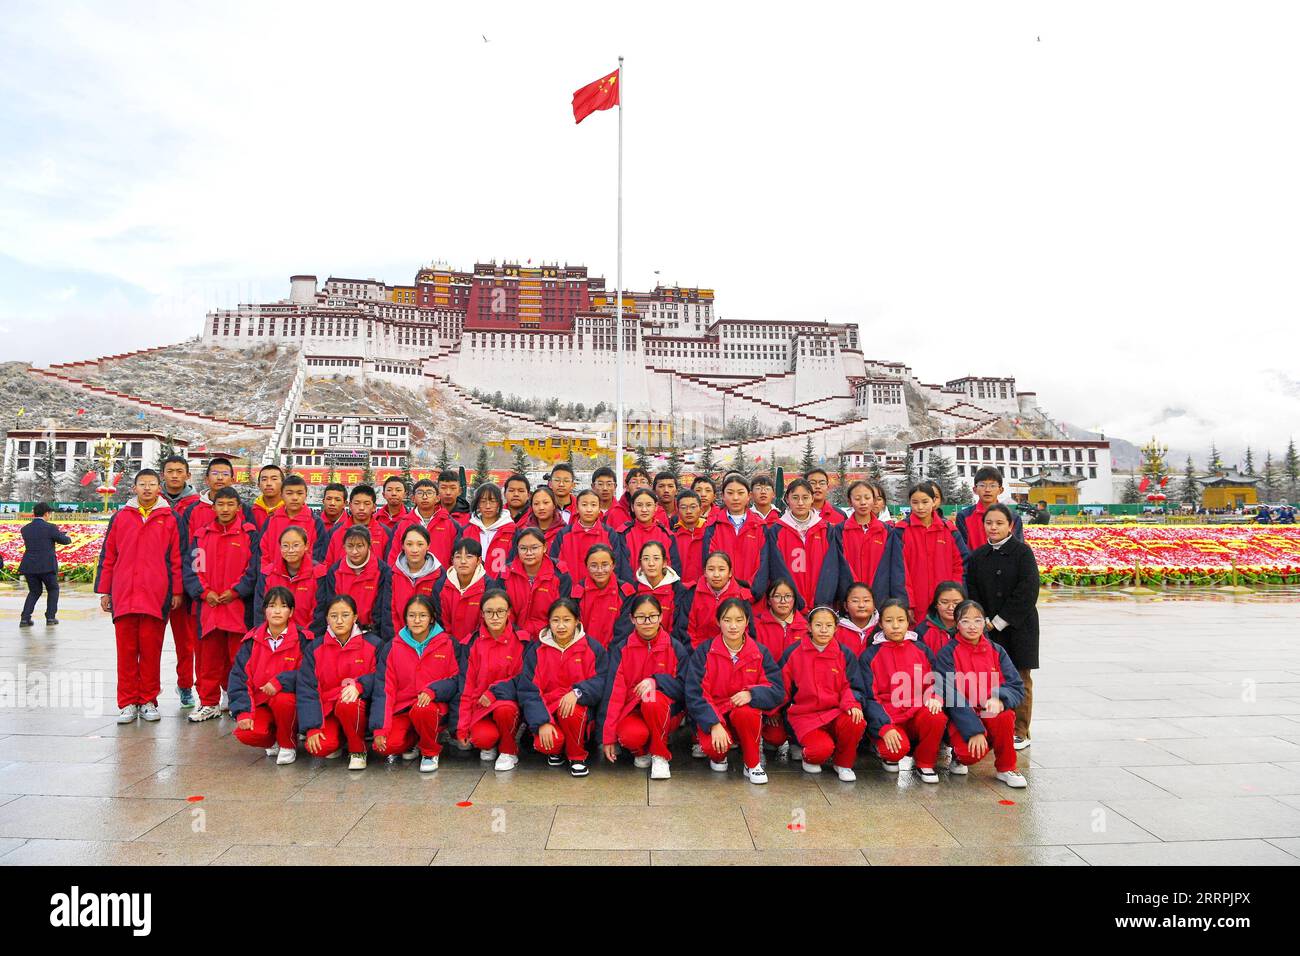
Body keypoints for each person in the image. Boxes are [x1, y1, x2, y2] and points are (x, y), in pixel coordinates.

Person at [94, 470, 183, 724]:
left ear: (159, 488)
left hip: (156, 595)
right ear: (134, 488)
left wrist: (176, 591)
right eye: (142, 484)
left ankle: (148, 700)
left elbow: (176, 558)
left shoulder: (169, 518)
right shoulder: (121, 517)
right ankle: (127, 702)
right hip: (124, 594)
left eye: (152, 484)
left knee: (151, 651)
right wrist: (106, 590)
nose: (147, 488)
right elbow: (108, 555)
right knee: (126, 651)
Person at [965, 503, 1040, 750]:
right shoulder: (978, 556)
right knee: (989, 677)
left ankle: (1020, 730)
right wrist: (981, 619)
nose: (993, 527)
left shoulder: (1023, 552)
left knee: (1019, 676)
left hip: (1019, 627)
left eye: (999, 523)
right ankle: (992, 725)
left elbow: (1027, 591)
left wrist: (998, 621)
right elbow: (973, 592)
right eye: (989, 523)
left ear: (1010, 525)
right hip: (987, 628)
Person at [685, 597, 784, 784]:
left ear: (747, 622)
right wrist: (714, 723)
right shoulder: (705, 652)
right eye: (727, 620)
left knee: (746, 712)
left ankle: (752, 763)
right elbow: (694, 693)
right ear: (718, 622)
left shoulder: (759, 652)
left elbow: (777, 690)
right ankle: (721, 750)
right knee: (715, 750)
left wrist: (752, 694)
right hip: (716, 713)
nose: (733, 626)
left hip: (743, 715)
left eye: (739, 620)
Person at [182, 486, 259, 722]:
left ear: (238, 507)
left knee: (240, 659)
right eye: (220, 504)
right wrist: (204, 592)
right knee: (208, 660)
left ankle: (241, 704)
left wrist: (236, 591)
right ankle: (209, 702)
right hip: (210, 608)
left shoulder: (249, 534)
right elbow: (194, 569)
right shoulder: (201, 535)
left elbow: (253, 569)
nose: (225, 509)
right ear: (213, 507)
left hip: (237, 607)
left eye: (230, 504)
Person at [936, 599, 1027, 788]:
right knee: (970, 755)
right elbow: (950, 695)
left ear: (985, 622)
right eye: (965, 621)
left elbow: (1016, 686)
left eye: (977, 620)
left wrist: (1000, 697)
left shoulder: (996, 650)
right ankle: (959, 756)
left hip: (988, 710)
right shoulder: (948, 653)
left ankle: (1006, 768)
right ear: (956, 624)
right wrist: (974, 730)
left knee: (1004, 715)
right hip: (961, 715)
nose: (972, 626)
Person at [598, 594, 689, 780]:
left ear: (661, 616)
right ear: (632, 619)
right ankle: (642, 751)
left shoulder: (674, 647)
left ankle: (660, 755)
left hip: (667, 711)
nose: (647, 622)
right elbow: (613, 694)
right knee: (631, 736)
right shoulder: (623, 649)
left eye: (653, 616)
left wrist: (656, 681)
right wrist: (607, 737)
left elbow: (684, 688)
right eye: (641, 617)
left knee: (651, 697)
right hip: (633, 712)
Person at [516, 597, 609, 777]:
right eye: (555, 620)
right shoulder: (537, 650)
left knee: (571, 709)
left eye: (566, 620)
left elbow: (602, 679)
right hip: (547, 710)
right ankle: (556, 751)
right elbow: (528, 690)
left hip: (578, 713)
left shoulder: (591, 647)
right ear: (549, 622)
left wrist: (578, 692)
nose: (561, 626)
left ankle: (577, 757)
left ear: (577, 622)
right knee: (548, 743)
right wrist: (542, 721)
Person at [773, 605, 867, 781]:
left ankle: (843, 763)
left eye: (829, 626)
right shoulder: (794, 653)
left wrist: (852, 704)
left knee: (856, 720)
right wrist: (773, 712)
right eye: (818, 625)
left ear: (836, 628)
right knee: (820, 752)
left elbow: (853, 686)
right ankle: (808, 751)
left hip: (835, 711)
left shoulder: (844, 653)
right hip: (805, 716)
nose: (824, 630)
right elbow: (781, 688)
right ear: (809, 627)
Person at [859, 598, 947, 782]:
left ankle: (925, 763)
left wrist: (934, 696)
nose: (896, 626)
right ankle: (880, 746)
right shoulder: (870, 655)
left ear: (908, 622)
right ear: (880, 623)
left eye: (901, 620)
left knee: (936, 715)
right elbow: (869, 697)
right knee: (894, 751)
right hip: (889, 716)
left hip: (917, 712)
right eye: (889, 621)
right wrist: (884, 726)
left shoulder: (921, 649)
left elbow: (935, 680)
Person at [370, 595, 460, 772]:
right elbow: (384, 689)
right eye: (412, 615)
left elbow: (456, 680)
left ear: (432, 618)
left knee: (423, 709)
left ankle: (429, 751)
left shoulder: (448, 643)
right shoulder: (392, 647)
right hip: (403, 709)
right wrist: (381, 728)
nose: (417, 620)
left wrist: (433, 691)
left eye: (423, 615)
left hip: (433, 708)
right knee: (385, 746)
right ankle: (413, 740)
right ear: (405, 618)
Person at [297, 595, 383, 770]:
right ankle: (339, 740)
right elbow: (307, 688)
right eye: (333, 616)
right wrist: (312, 727)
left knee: (347, 703)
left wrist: (360, 686)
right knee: (319, 747)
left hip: (360, 711)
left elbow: (382, 677)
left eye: (345, 615)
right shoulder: (315, 647)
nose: (339, 621)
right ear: (327, 618)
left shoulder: (374, 644)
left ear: (355, 617)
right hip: (328, 711)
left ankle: (358, 749)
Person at [227, 586, 304, 764]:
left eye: (283, 606)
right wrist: (243, 711)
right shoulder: (251, 641)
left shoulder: (303, 639)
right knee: (246, 733)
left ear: (291, 611)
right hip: (260, 703)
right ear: (264, 610)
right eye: (272, 605)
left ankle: (288, 744)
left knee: (283, 700)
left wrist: (280, 682)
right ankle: (274, 739)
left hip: (292, 705)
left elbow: (308, 674)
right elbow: (238, 678)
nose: (277, 611)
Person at [456, 589, 528, 770]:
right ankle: (492, 743)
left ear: (509, 612)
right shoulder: (473, 643)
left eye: (500, 611)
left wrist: (494, 692)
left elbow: (523, 681)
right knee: (482, 739)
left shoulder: (521, 642)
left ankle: (508, 750)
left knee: (504, 710)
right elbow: (467, 688)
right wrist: (462, 727)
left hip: (509, 707)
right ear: (482, 614)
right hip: (481, 708)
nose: (495, 617)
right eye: (489, 612)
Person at [756, 478, 837, 608]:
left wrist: (822, 600)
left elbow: (831, 569)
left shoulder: (826, 530)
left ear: (812, 499)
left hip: (820, 604)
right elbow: (777, 569)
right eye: (795, 497)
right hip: (788, 605)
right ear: (787, 499)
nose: (800, 503)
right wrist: (793, 599)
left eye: (805, 497)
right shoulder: (776, 531)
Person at [159, 454, 200, 704]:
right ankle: (147, 694)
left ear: (187, 475)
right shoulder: (153, 501)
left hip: (184, 583)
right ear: (162, 474)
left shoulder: (196, 506)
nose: (174, 475)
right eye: (170, 471)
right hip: (155, 583)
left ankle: (185, 685)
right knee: (150, 642)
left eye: (179, 471)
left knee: (186, 642)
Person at [897, 480, 967, 619]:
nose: (920, 507)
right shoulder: (901, 531)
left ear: (934, 501)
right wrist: (907, 603)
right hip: (916, 602)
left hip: (946, 604)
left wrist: (954, 596)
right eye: (915, 502)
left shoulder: (949, 530)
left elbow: (960, 565)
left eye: (925, 502)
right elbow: (899, 570)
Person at [312, 527, 394, 642]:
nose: (354, 551)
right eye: (350, 546)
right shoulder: (335, 571)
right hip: (341, 631)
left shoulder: (383, 571)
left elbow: (382, 609)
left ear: (369, 546)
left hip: (371, 633)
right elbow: (331, 605)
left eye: (360, 546)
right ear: (344, 546)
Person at [829, 479, 905, 602]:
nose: (863, 502)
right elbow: (836, 566)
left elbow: (895, 567)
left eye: (867, 498)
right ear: (850, 502)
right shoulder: (839, 531)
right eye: (857, 499)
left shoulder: (887, 531)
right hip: (848, 598)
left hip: (880, 596)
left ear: (874, 501)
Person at [433, 537, 500, 670]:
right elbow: (438, 620)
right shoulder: (441, 584)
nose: (463, 561)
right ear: (452, 560)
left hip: (480, 649)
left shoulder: (489, 586)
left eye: (469, 557)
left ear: (479, 560)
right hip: (446, 647)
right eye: (458, 557)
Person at [612, 540, 687, 646]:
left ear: (665, 562)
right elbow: (625, 629)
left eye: (656, 559)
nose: (651, 564)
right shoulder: (632, 591)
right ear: (640, 563)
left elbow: (680, 630)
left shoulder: (679, 591)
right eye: (646, 559)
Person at [503, 527, 572, 640]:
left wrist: (547, 636)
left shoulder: (560, 575)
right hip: (513, 637)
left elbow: (564, 612)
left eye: (534, 548)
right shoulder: (506, 574)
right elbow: (501, 611)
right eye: (523, 548)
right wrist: (517, 633)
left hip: (551, 638)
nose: (529, 553)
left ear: (544, 547)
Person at [253, 526, 325, 631]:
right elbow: (260, 611)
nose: (290, 550)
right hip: (274, 636)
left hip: (307, 638)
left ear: (306, 546)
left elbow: (320, 613)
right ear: (280, 547)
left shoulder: (319, 574)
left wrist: (305, 637)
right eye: (285, 546)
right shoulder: (267, 573)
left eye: (296, 545)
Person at [700, 474, 767, 585]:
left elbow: (763, 567)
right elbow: (710, 565)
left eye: (740, 493)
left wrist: (750, 593)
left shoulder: (760, 526)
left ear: (749, 496)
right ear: (723, 496)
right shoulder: (712, 526)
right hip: (722, 596)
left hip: (753, 597)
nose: (735, 498)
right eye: (730, 493)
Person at [680, 551, 751, 649]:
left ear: (730, 572)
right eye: (711, 569)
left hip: (731, 651)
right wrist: (698, 654)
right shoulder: (693, 594)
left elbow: (747, 631)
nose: (716, 574)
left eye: (721, 569)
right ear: (705, 572)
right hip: (698, 651)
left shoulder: (741, 596)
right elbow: (685, 630)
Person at [18, 502, 71, 628]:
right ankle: (50, 617)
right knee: (53, 589)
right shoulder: (51, 527)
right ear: (46, 513)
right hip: (46, 565)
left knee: (34, 591)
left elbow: (39, 538)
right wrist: (65, 536)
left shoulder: (25, 529)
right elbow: (64, 541)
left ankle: (25, 619)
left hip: (29, 565)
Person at [571, 544, 635, 647]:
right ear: (586, 566)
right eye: (594, 566)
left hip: (614, 652)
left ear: (613, 565)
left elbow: (624, 631)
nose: (600, 570)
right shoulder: (578, 592)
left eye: (605, 565)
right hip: (583, 651)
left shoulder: (625, 592)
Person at [552, 488, 624, 580]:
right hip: (569, 591)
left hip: (600, 590)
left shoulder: (609, 533)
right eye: (584, 505)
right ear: (577, 508)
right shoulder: (564, 534)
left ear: (599, 509)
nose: (589, 509)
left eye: (593, 505)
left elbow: (616, 565)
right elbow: (554, 564)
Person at [388, 524, 444, 639]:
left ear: (428, 546)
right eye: (409, 544)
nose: (414, 550)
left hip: (430, 640)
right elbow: (388, 611)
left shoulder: (440, 575)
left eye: (420, 544)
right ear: (402, 546)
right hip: (398, 638)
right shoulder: (393, 573)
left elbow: (440, 614)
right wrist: (395, 639)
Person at [389, 477, 460, 569]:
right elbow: (394, 555)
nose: (425, 497)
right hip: (408, 578)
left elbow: (456, 555)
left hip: (441, 578)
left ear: (437, 498)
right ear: (413, 498)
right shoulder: (403, 524)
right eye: (420, 493)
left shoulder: (450, 524)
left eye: (429, 493)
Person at [953, 466, 1024, 555]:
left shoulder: (1013, 517)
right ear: (975, 490)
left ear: (1000, 490)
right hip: (974, 566)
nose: (987, 490)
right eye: (982, 485)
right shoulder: (964, 516)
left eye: (992, 485)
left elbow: (1018, 548)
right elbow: (961, 550)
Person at [258, 474, 323, 564]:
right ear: (281, 495)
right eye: (289, 493)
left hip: (306, 576)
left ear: (306, 495)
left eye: (300, 493)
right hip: (273, 575)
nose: (295, 498)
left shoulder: (316, 522)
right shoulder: (272, 520)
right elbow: (262, 552)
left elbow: (319, 555)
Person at [320, 485, 392, 566]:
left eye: (367, 504)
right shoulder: (335, 531)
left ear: (374, 507)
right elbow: (326, 564)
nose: (361, 508)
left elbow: (389, 566)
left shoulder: (385, 532)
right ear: (350, 506)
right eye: (357, 503)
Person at [615, 489, 681, 575]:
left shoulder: (667, 535)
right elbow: (622, 567)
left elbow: (674, 568)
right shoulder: (622, 533)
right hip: (632, 587)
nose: (644, 509)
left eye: (649, 505)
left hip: (662, 587)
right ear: (632, 507)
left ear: (656, 507)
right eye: (639, 505)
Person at [460, 482, 515, 578]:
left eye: (492, 501)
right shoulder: (467, 530)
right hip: (472, 583)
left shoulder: (512, 531)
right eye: (483, 501)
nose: (488, 506)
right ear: (477, 503)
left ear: (499, 503)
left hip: (501, 585)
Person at [752, 578, 807, 663]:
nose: (783, 601)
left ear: (794, 599)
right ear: (769, 601)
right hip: (767, 674)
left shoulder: (806, 627)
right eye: (777, 596)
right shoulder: (756, 625)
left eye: (788, 596)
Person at [914, 581, 966, 657]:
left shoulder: (973, 628)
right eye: (945, 602)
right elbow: (917, 662)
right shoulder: (922, 630)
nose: (951, 608)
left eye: (956, 603)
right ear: (936, 604)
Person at [516, 486, 569, 557]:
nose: (541, 507)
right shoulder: (522, 531)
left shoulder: (565, 533)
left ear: (554, 505)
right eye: (536, 504)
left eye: (546, 503)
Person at [670, 489, 708, 583]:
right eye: (683, 507)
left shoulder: (710, 533)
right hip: (681, 589)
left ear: (701, 509)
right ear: (677, 510)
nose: (688, 511)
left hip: (706, 588)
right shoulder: (672, 536)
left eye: (693, 507)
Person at [834, 581, 879, 656]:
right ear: (845, 606)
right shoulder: (835, 630)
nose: (861, 605)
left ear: (874, 604)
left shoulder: (882, 627)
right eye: (855, 601)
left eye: (866, 600)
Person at [250, 464, 286, 531]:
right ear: (258, 485)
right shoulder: (251, 512)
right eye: (264, 479)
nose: (268, 483)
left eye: (274, 479)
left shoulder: (290, 510)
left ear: (283, 484)